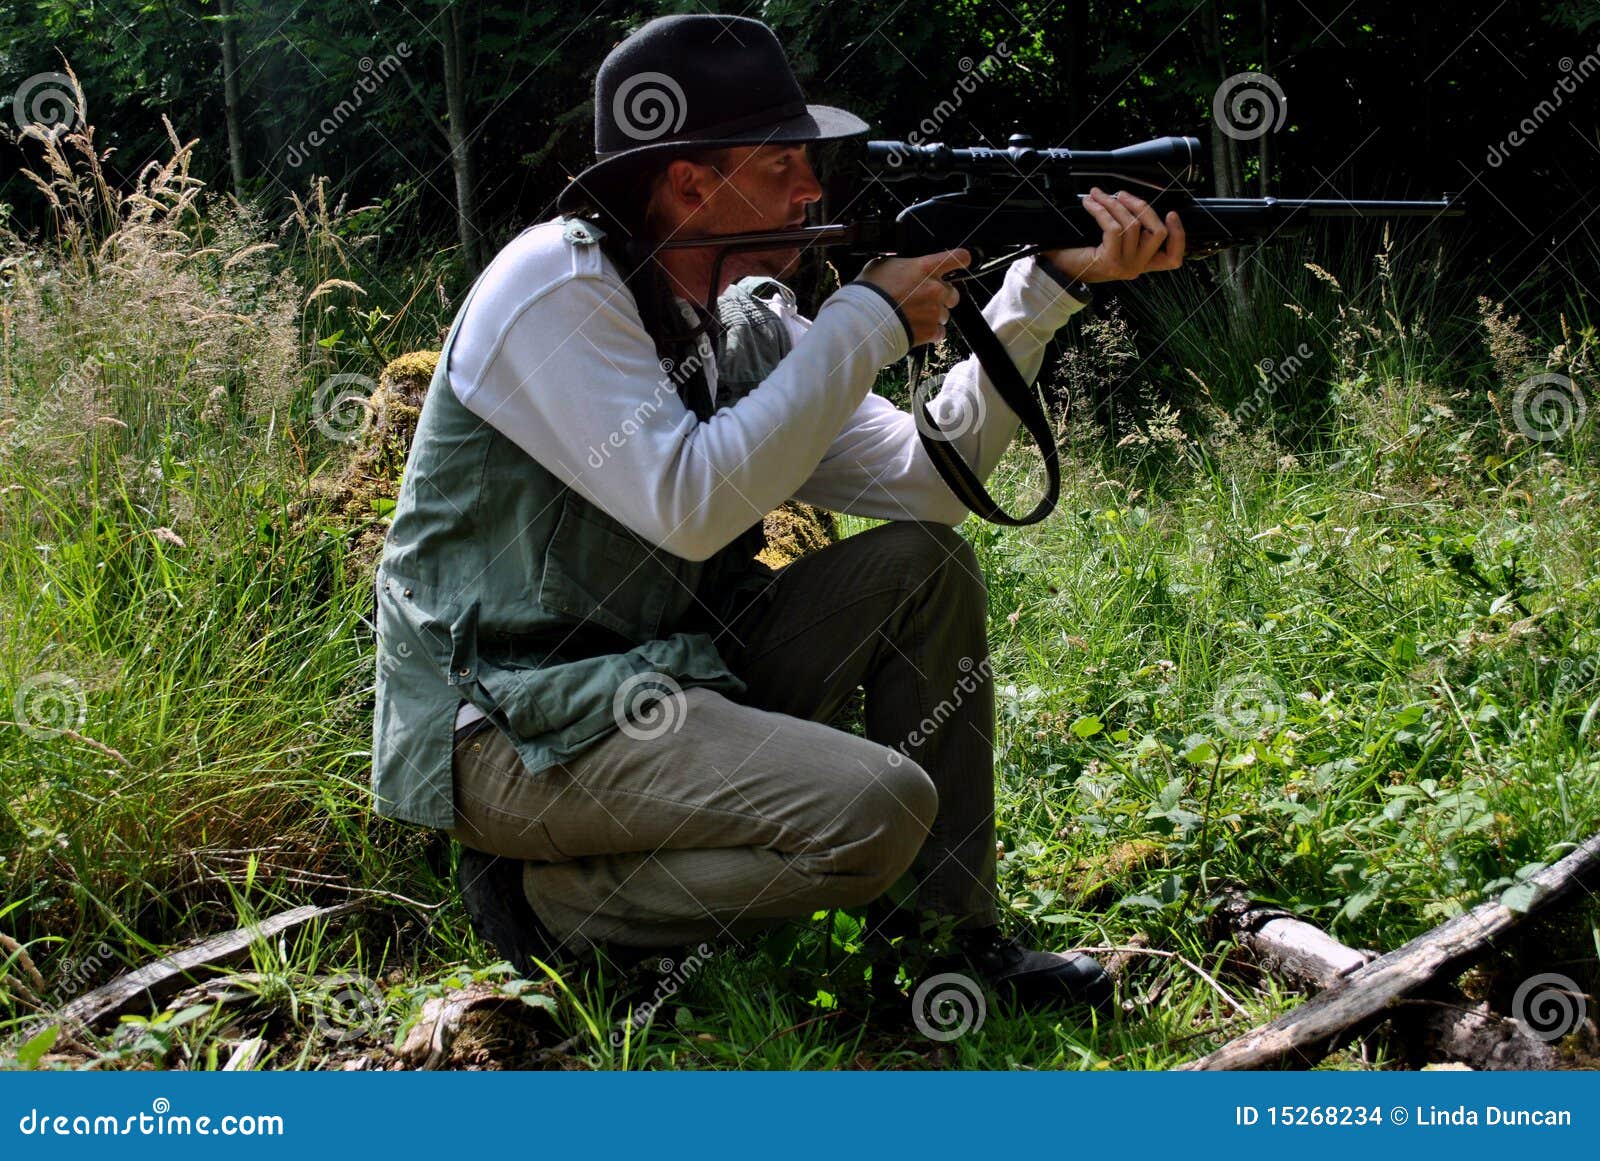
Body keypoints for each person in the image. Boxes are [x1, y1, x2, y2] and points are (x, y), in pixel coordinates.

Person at [370, 13, 1186, 1019]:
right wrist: (867, 322)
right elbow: (689, 505)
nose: (812, 188)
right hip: (508, 726)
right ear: (688, 184)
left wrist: (1041, 293)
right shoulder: (556, 287)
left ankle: (952, 947)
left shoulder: (738, 320)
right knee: (876, 808)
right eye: (783, 162)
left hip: (667, 676)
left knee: (922, 564)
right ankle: (561, 906)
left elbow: (929, 482)